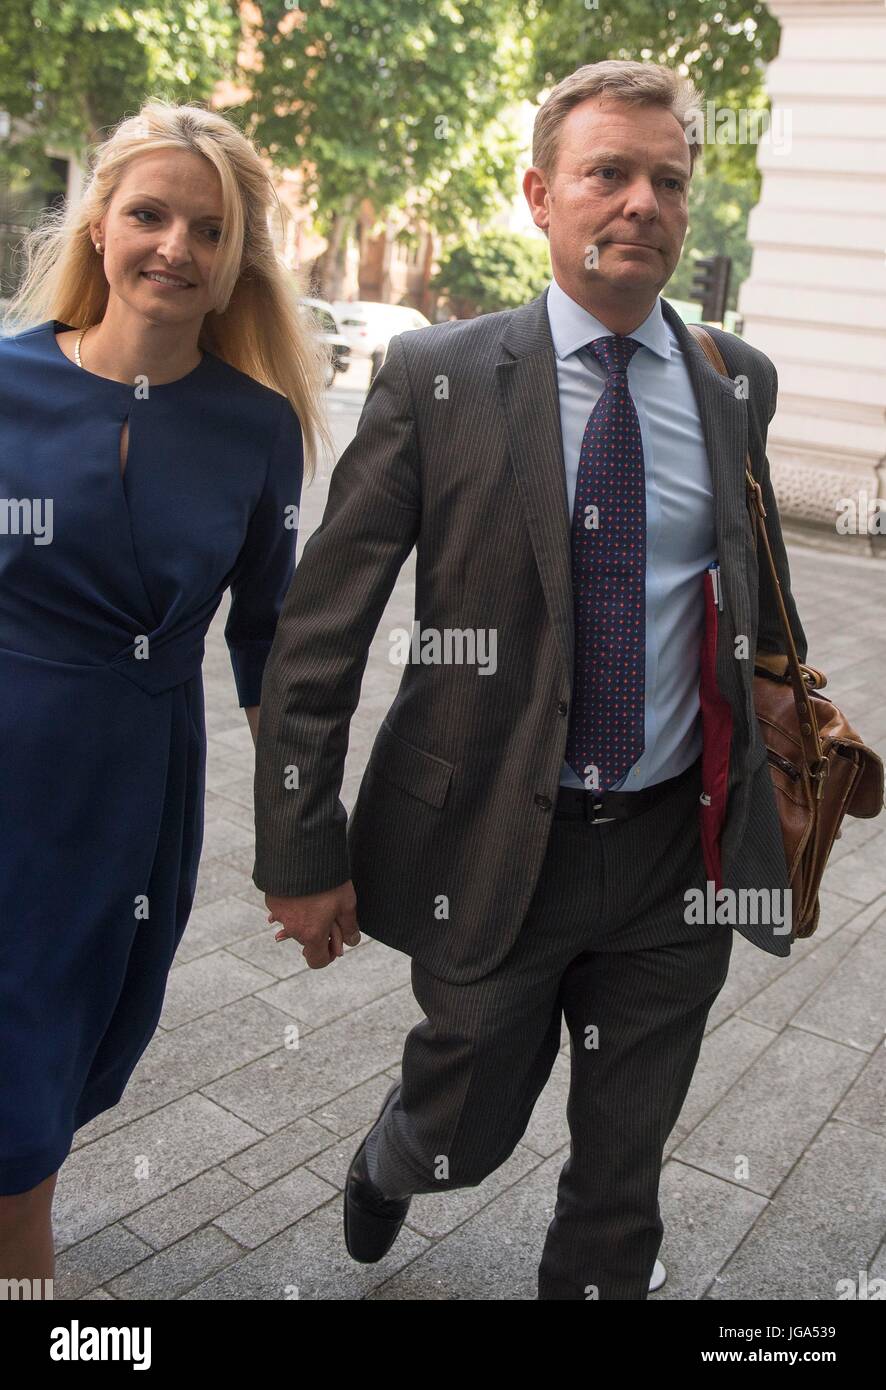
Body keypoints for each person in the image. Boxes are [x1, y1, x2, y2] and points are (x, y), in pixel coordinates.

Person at [251, 60, 807, 1299]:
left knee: (624, 1174)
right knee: (466, 1129)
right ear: (538, 194)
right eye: (608, 173)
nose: (641, 203)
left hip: (677, 857)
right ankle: (394, 1159)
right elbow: (320, 632)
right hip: (491, 843)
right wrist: (301, 844)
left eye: (668, 179)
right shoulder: (435, 377)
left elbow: (753, 593)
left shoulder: (734, 383)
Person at [0, 98, 331, 1282]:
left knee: (46, 1060)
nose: (175, 249)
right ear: (98, 224)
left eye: (210, 228)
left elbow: (268, 649)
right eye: (148, 214)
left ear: (238, 256)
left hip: (128, 798)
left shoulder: (257, 429)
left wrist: (302, 845)